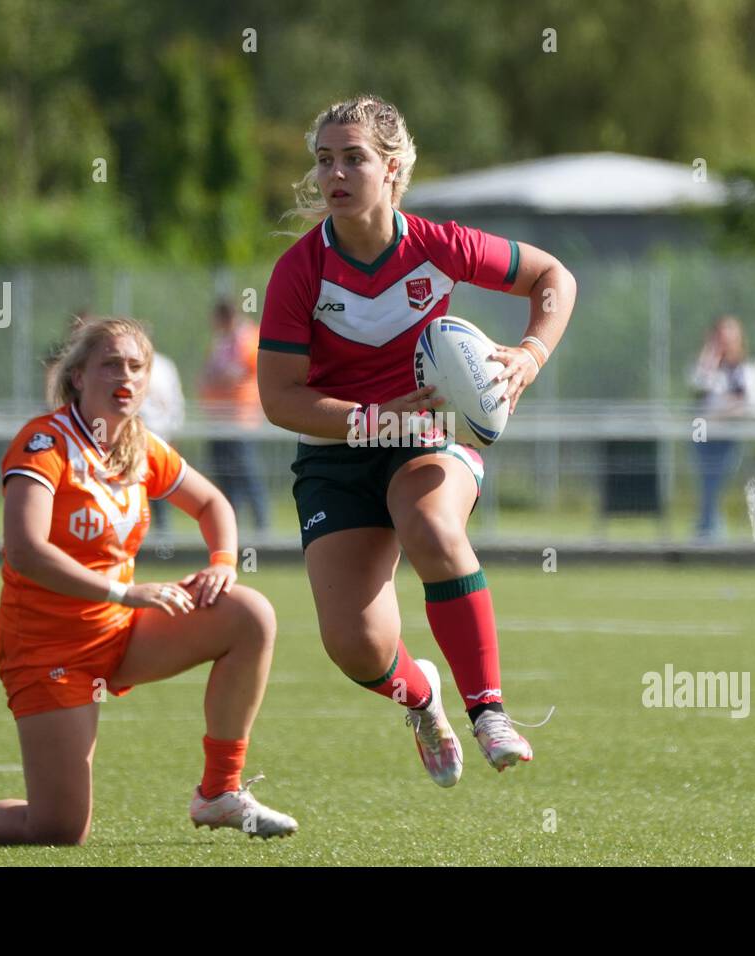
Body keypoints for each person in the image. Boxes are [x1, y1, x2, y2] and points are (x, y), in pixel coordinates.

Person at [257, 95, 575, 787]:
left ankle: (488, 709)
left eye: (353, 158)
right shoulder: (300, 272)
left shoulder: (439, 245)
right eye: (324, 160)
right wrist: (372, 417)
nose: (334, 174)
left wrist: (529, 355)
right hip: (338, 452)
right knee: (356, 647)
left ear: (392, 167)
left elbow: (554, 277)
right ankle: (421, 697)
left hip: (428, 436)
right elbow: (279, 398)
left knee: (430, 522)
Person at [0, 317, 296, 845]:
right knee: (59, 829)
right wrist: (123, 592)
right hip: (48, 648)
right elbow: (24, 550)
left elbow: (211, 503)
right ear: (77, 378)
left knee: (250, 614)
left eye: (138, 367)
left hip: (120, 632)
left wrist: (223, 563)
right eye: (111, 364)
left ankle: (219, 792)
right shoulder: (44, 441)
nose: (127, 377)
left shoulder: (138, 446)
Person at [687, 314, 755, 538]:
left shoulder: (747, 367)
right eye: (720, 336)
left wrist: (729, 409)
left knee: (725, 484)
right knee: (707, 484)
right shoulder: (709, 366)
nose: (725, 342)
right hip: (705, 435)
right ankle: (709, 531)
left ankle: (715, 530)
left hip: (733, 436)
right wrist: (710, 356)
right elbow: (697, 383)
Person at [200, 299, 268, 533]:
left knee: (246, 471)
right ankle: (232, 524)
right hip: (218, 418)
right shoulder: (221, 340)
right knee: (224, 473)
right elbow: (209, 372)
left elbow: (234, 374)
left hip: (240, 418)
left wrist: (215, 379)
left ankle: (261, 526)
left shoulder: (247, 337)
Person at [138, 344, 185, 534]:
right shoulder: (129, 364)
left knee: (162, 489)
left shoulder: (164, 365)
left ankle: (163, 541)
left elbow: (175, 401)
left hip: (160, 436)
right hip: (133, 438)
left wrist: (174, 431)